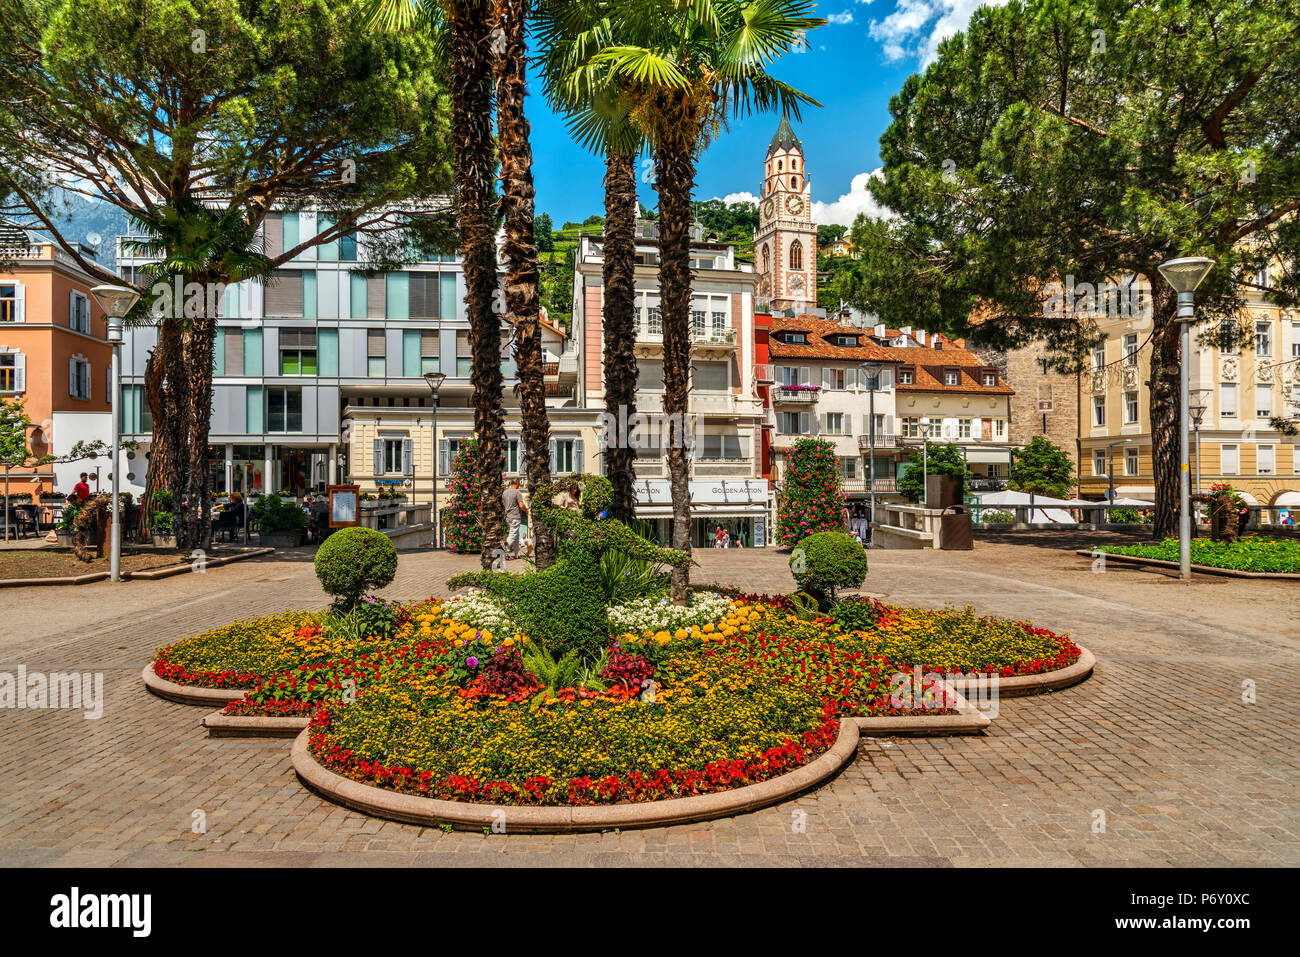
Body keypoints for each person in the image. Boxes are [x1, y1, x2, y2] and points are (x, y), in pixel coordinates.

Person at [503, 478, 528, 558]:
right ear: (517, 483)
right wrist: (526, 510)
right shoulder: (517, 492)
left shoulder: (505, 492)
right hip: (515, 516)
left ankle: (517, 554)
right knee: (513, 535)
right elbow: (521, 505)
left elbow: (503, 503)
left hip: (508, 516)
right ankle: (503, 551)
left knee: (516, 535)